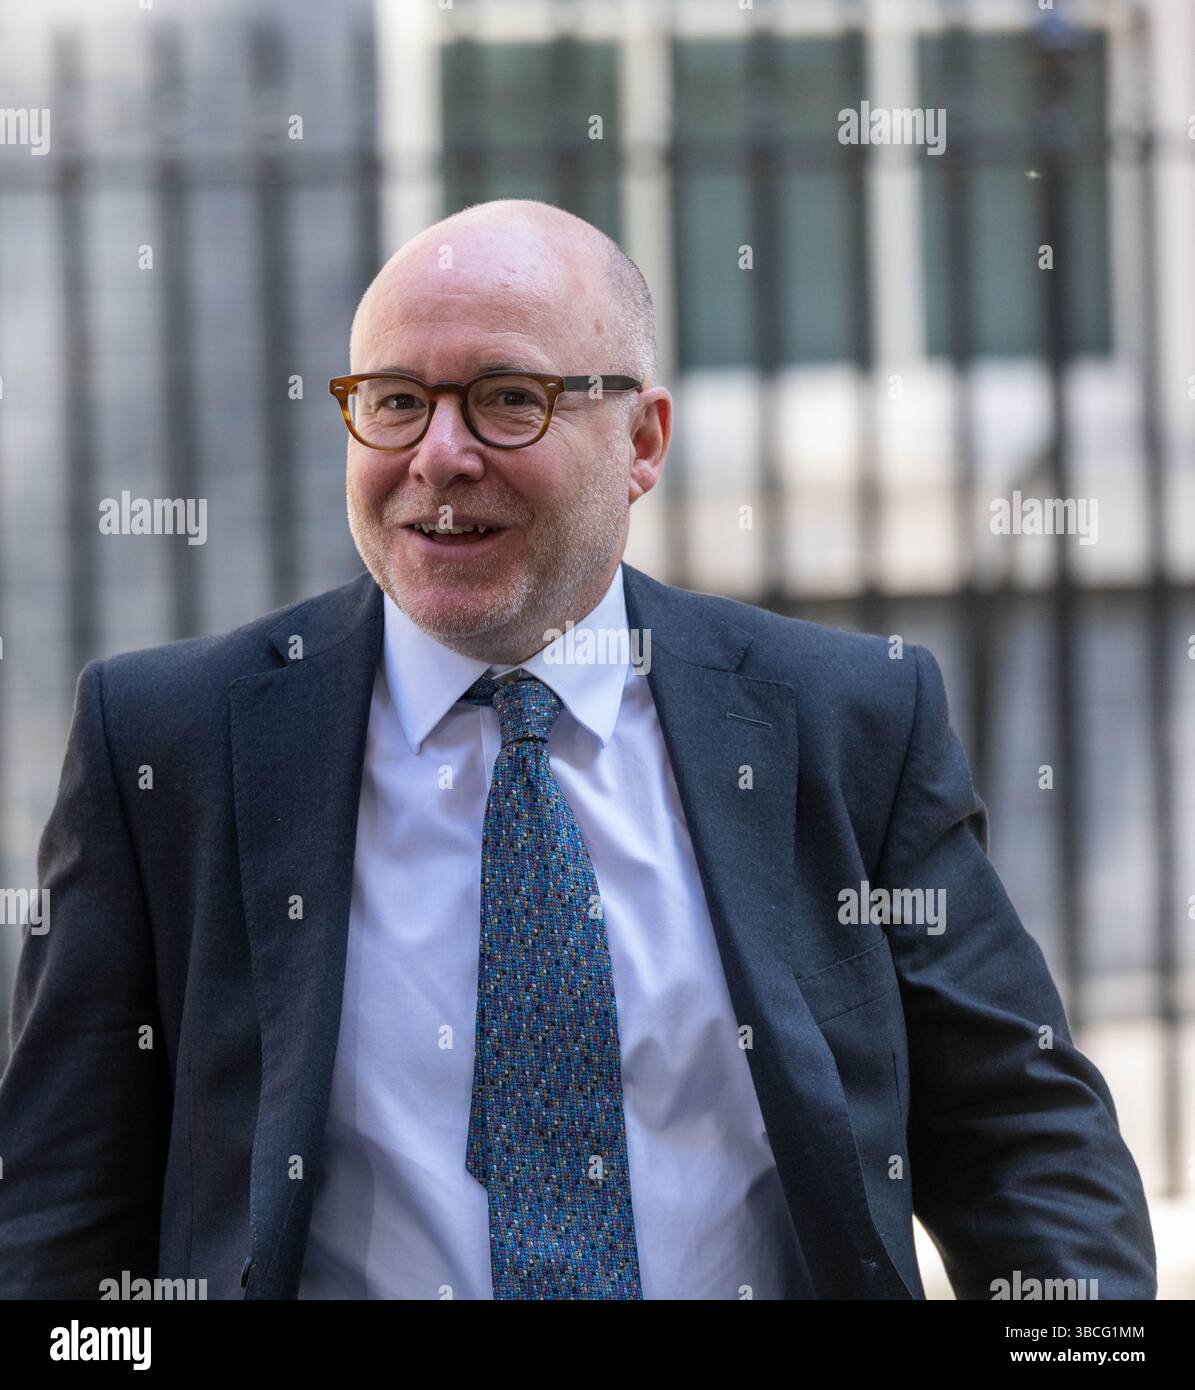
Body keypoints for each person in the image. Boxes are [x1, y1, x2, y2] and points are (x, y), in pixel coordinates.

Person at [0, 199, 1155, 1300]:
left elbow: (1020, 1131)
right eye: (395, 401)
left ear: (643, 438)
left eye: (507, 399)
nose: (439, 455)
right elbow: (55, 1210)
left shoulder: (845, 721)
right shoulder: (169, 743)